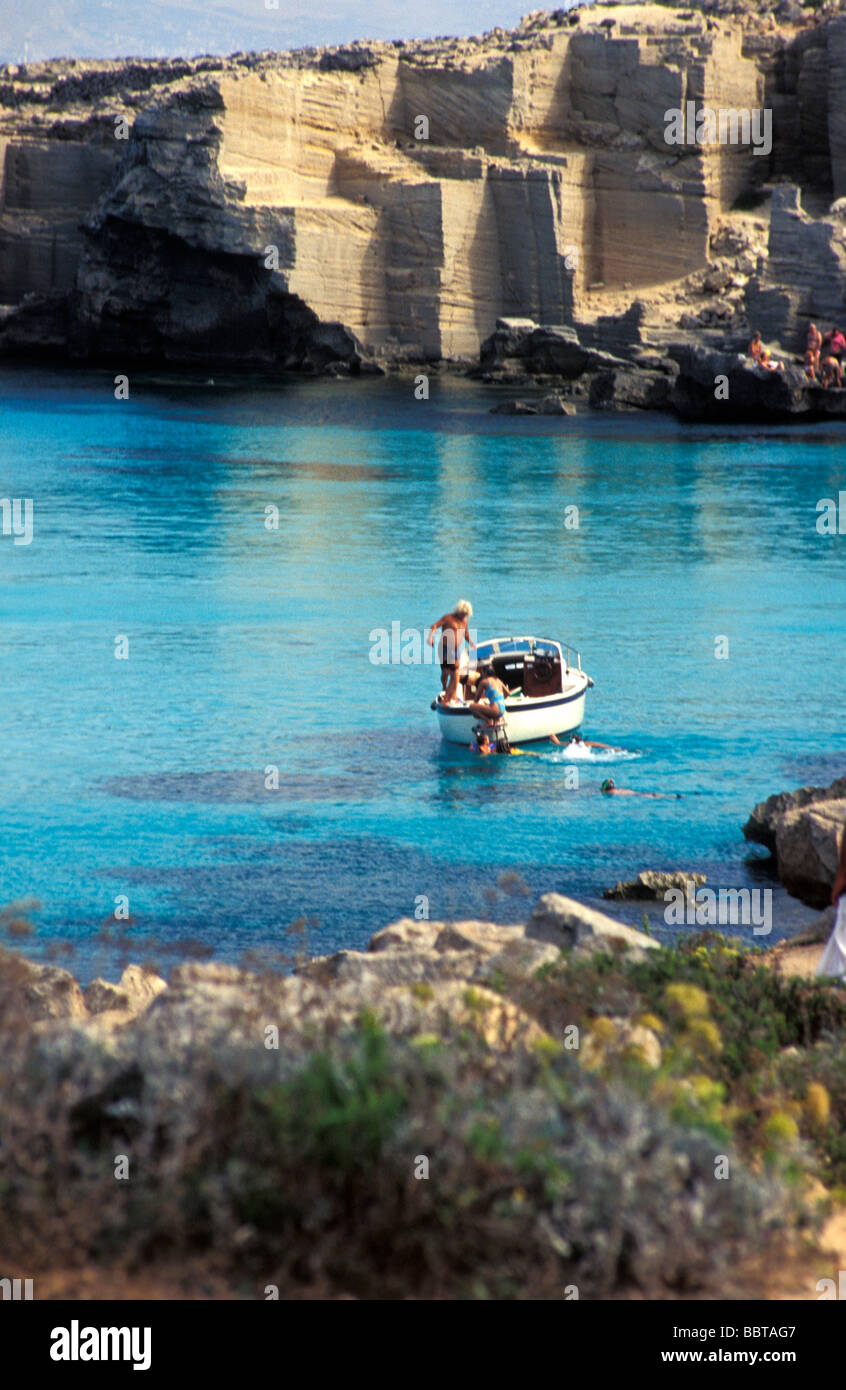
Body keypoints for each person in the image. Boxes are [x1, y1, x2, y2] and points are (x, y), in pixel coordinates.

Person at [427, 600, 475, 705]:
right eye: (462, 614)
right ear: (458, 611)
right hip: (444, 648)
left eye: (466, 614)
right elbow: (434, 626)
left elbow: (465, 633)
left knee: (455, 671)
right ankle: (445, 688)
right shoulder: (448, 618)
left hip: (457, 649)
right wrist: (430, 637)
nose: (464, 616)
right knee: (446, 672)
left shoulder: (465, 621)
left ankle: (452, 695)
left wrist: (471, 642)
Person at [600, 777, 680, 799]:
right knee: (656, 795)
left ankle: (671, 797)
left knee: (654, 797)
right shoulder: (618, 789)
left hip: (637, 795)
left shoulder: (611, 792)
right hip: (637, 793)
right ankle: (672, 796)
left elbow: (603, 791)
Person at [551, 732, 626, 751]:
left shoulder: (570, 745)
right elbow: (599, 745)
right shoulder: (585, 744)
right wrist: (613, 748)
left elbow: (557, 743)